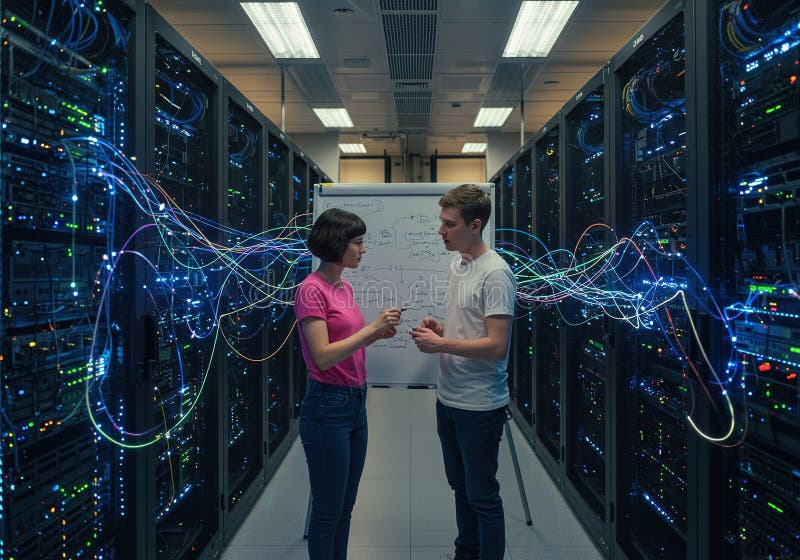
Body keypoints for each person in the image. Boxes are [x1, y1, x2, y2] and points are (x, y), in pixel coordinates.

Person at [410, 184, 516, 560]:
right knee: (460, 487)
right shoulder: (458, 265)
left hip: (479, 405)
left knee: (483, 496)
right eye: (441, 222)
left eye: (448, 224)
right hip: (449, 398)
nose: (441, 231)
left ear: (475, 225)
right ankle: (465, 554)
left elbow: (496, 345)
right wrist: (443, 330)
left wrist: (442, 345)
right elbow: (470, 329)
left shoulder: (496, 274)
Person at [294, 208, 401, 560]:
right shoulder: (311, 291)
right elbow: (323, 356)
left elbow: (346, 344)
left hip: (355, 403)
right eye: (357, 242)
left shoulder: (343, 286)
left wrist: (375, 335)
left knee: (345, 506)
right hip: (327, 407)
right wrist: (370, 329)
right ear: (338, 244)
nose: (363, 249)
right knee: (327, 512)